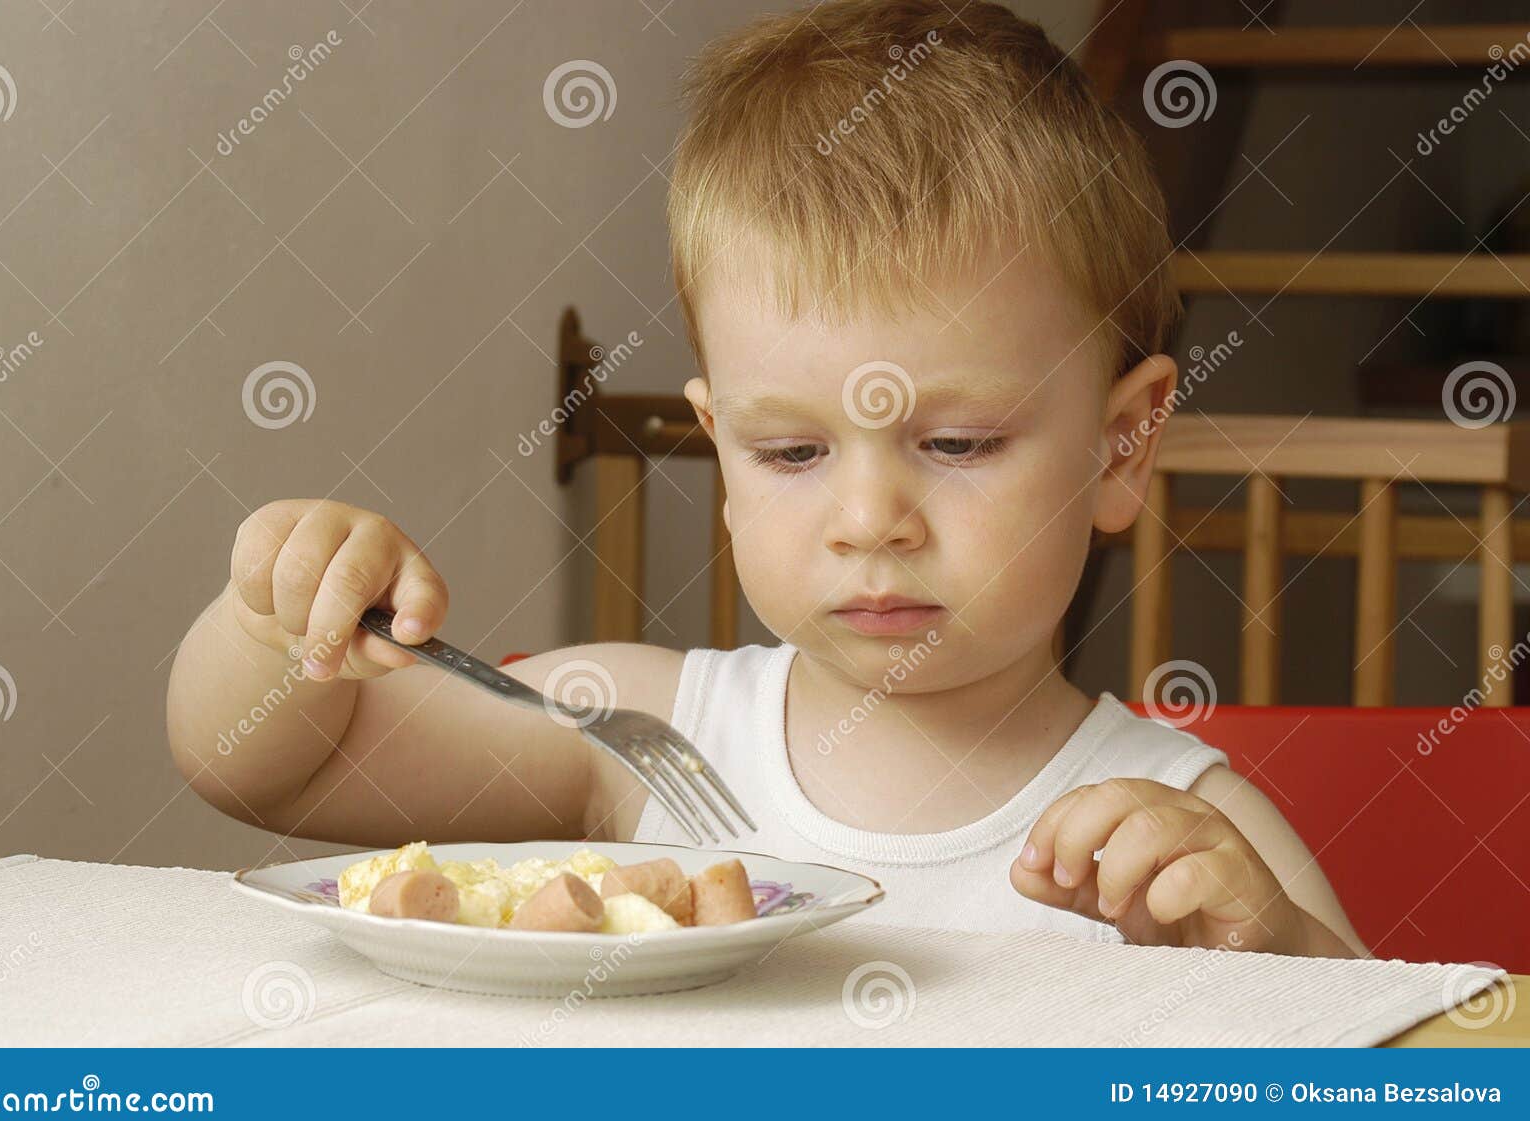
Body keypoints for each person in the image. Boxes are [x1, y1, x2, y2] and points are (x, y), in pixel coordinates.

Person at [169, 0, 1362, 956]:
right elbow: (271, 768)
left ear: (1121, 445)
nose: (867, 522)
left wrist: (1276, 953)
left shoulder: (1180, 817)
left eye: (957, 444)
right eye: (790, 452)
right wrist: (280, 623)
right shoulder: (636, 733)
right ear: (722, 451)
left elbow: (1391, 1082)